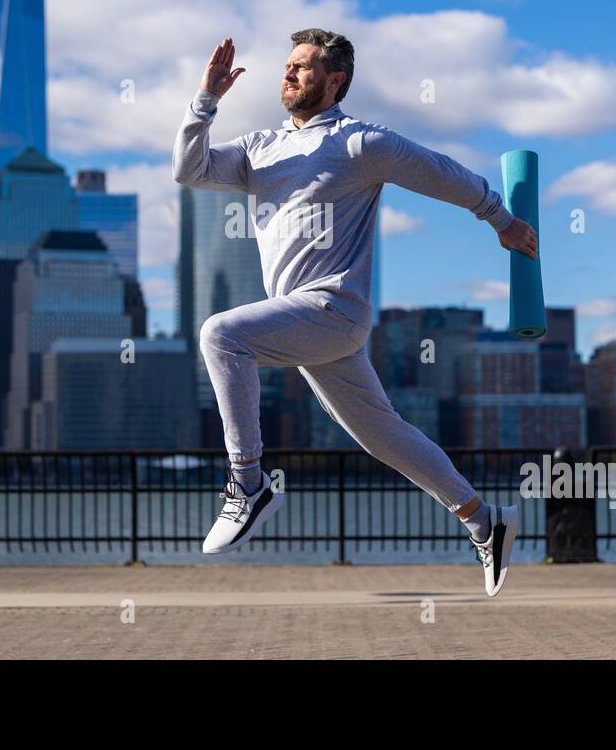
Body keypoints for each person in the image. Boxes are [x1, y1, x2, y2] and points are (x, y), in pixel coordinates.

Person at [171, 29, 538, 596]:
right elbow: (189, 170)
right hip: (302, 320)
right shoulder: (259, 149)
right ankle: (483, 519)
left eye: (302, 66)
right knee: (379, 432)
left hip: (333, 307)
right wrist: (206, 100)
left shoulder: (359, 142)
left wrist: (500, 217)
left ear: (334, 80)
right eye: (286, 65)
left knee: (221, 335)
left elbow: (439, 171)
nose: (288, 74)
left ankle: (248, 483)